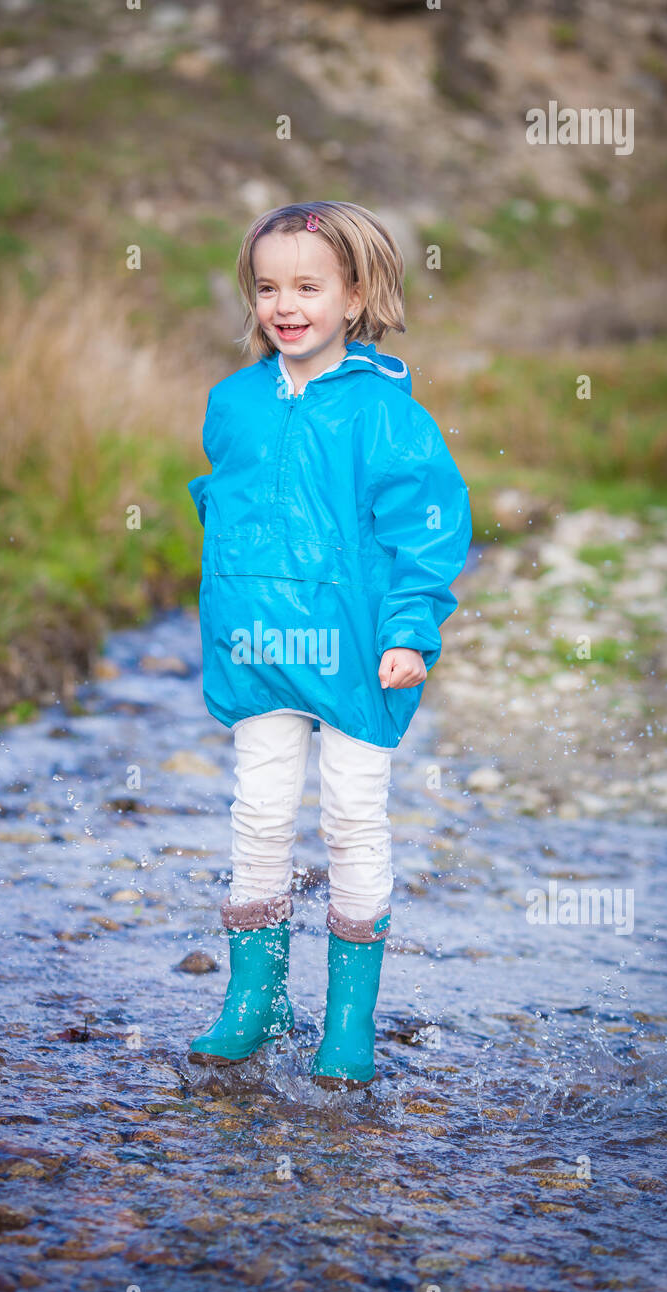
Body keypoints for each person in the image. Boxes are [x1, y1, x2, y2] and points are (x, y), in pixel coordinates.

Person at [185, 200, 471, 1089]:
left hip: (356, 652)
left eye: (308, 285)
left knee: (351, 819)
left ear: (355, 295)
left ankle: (349, 1018)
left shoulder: (388, 416)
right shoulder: (232, 404)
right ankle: (254, 1001)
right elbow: (224, 502)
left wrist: (411, 629)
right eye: (268, 286)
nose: (285, 302)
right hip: (259, 645)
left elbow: (426, 528)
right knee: (260, 814)